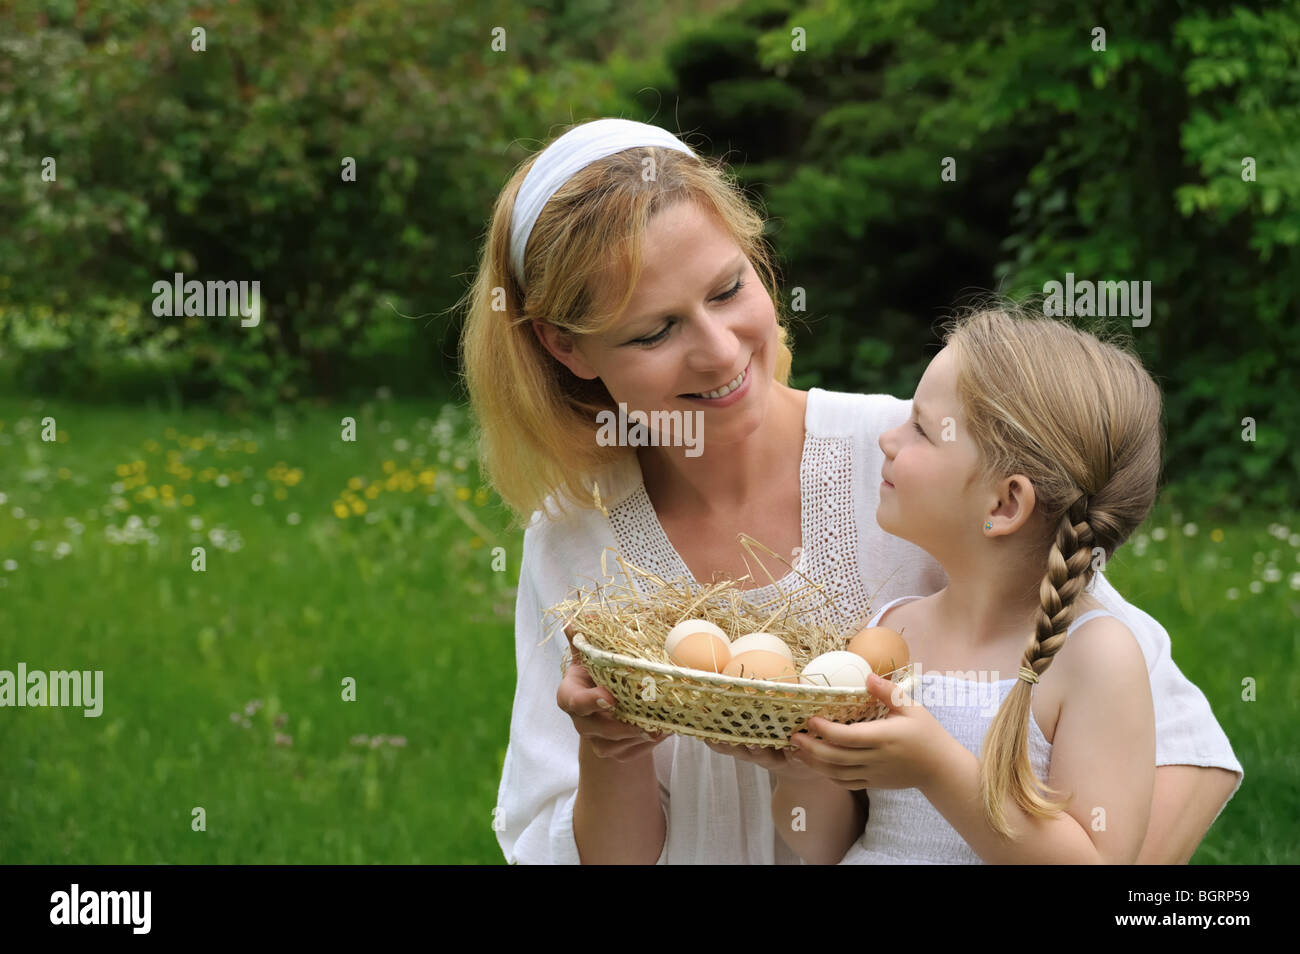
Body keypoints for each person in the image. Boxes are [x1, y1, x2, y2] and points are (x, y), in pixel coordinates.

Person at [458, 118, 1244, 864]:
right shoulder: (577, 535)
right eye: (655, 331)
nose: (720, 351)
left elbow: (1186, 751)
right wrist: (609, 749)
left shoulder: (919, 464)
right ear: (566, 346)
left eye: (729, 289)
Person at [772, 306, 1175, 864]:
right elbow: (823, 846)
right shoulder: (893, 629)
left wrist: (937, 768)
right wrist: (805, 765)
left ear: (1005, 504)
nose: (888, 439)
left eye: (920, 428)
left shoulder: (1095, 657)